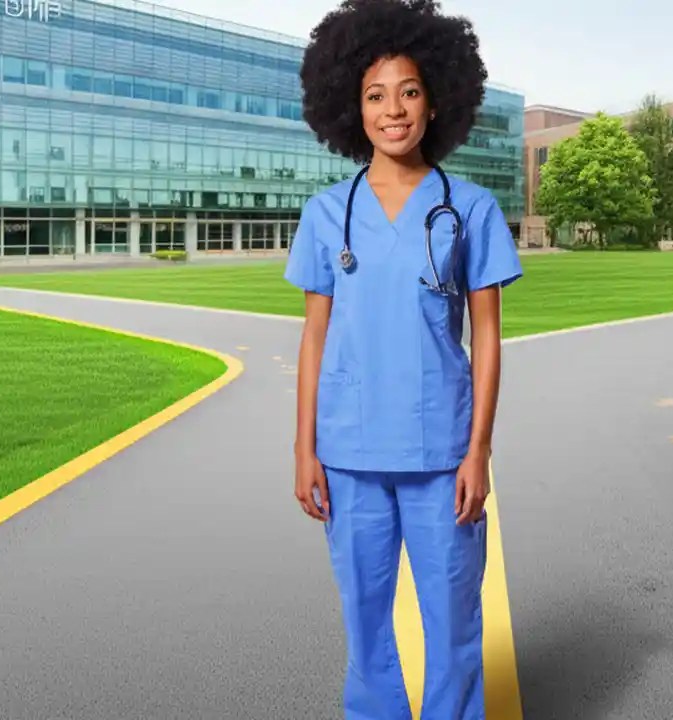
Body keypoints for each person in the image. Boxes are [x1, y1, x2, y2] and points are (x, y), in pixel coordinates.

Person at [284, 1, 523, 717]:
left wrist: (478, 451)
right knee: (364, 626)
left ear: (436, 98)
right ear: (349, 106)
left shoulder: (471, 208)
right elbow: (313, 340)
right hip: (350, 454)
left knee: (453, 625)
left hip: (440, 453)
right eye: (375, 94)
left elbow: (486, 337)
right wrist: (305, 449)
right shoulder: (327, 213)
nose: (394, 110)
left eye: (409, 90)